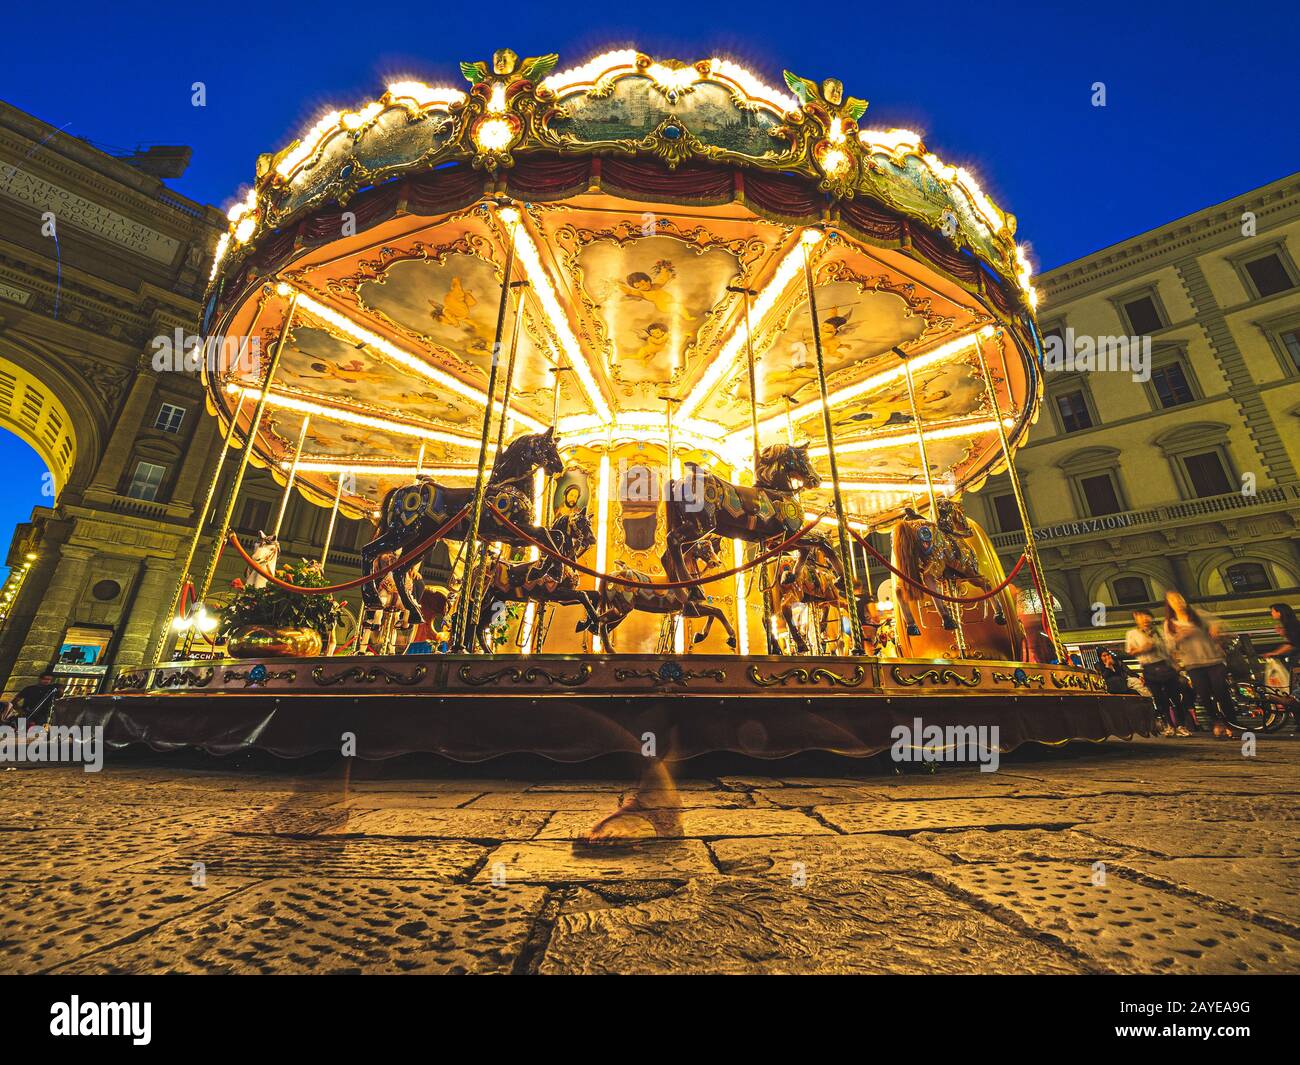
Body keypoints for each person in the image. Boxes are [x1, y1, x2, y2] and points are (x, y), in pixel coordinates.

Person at [1164, 591, 1233, 737]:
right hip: (1194, 664)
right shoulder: (1170, 624)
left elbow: (1222, 624)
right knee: (1204, 694)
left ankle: (1230, 723)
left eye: (1180, 598)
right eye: (1173, 600)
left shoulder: (1199, 615)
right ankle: (1216, 722)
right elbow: (1169, 647)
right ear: (1169, 604)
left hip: (1214, 659)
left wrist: (1216, 629)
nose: (1178, 601)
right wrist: (1178, 638)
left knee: (1221, 691)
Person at [1125, 609, 1190, 736]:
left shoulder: (1159, 631)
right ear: (1136, 618)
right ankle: (1168, 725)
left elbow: (1170, 650)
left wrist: (1176, 664)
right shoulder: (1132, 633)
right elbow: (1130, 651)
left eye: (1147, 616)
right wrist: (1143, 649)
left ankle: (1181, 725)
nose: (1144, 619)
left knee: (1176, 697)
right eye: (1141, 616)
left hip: (1165, 665)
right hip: (1149, 667)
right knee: (1159, 699)